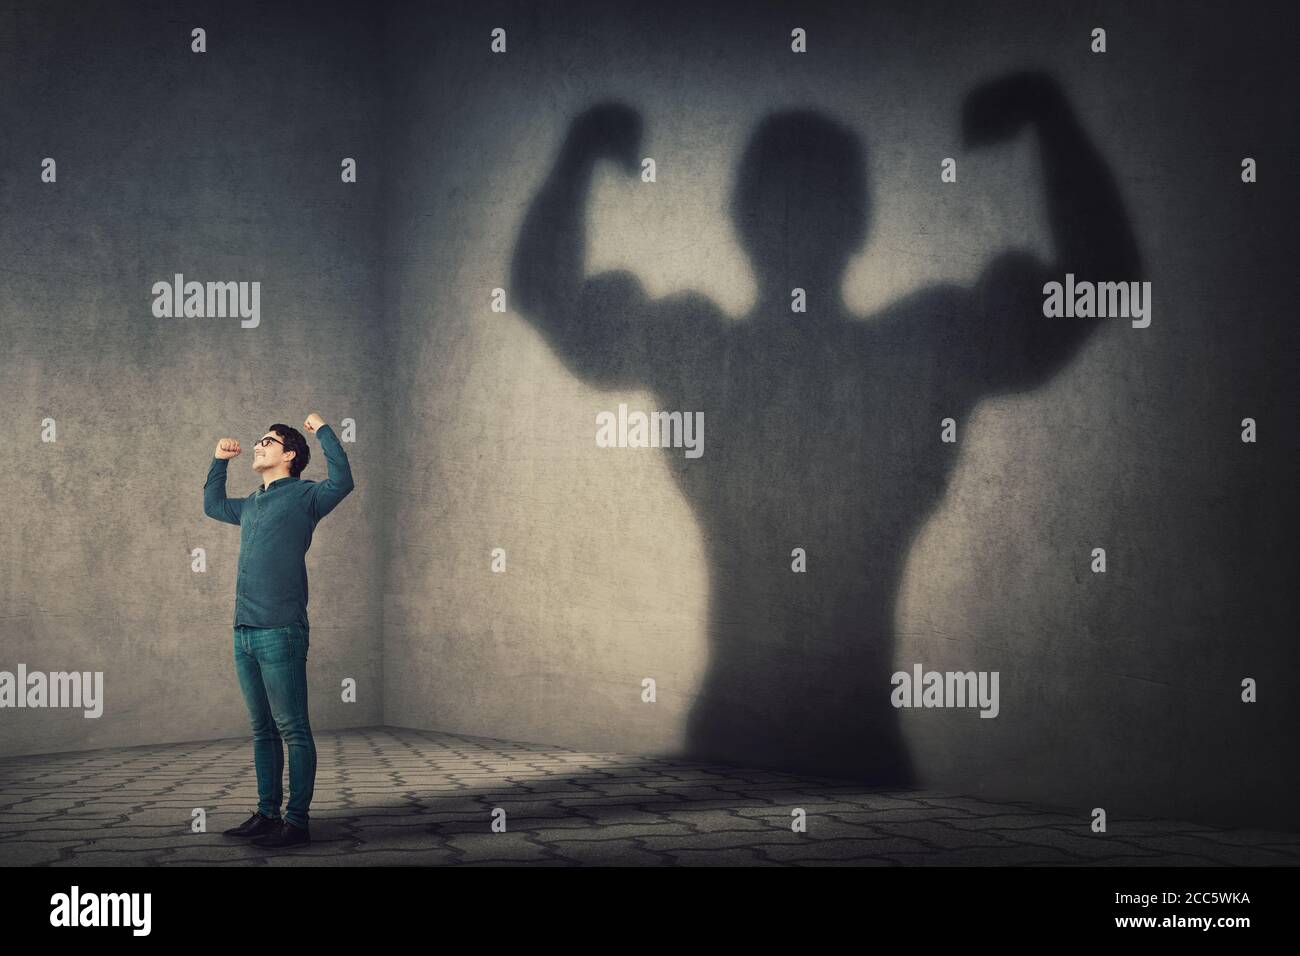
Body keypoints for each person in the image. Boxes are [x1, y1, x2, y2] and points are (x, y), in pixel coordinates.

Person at [509, 72, 1140, 782]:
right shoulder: (914, 352)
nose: (797, 218)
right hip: (840, 745)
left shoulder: (705, 350)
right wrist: (1048, 115)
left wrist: (580, 153)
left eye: (805, 198)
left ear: (740, 215)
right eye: (794, 198)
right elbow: (1105, 278)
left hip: (753, 737)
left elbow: (546, 296)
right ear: (861, 218)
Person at [203, 413, 354, 846]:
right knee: (262, 729)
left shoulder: (306, 496)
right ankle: (267, 814)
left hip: (281, 629)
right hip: (244, 630)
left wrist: (323, 430)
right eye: (257, 440)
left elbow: (343, 481)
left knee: (293, 729)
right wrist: (218, 461)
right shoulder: (251, 503)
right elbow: (213, 505)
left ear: (289, 454)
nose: (258, 445)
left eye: (267, 441)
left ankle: (297, 822)